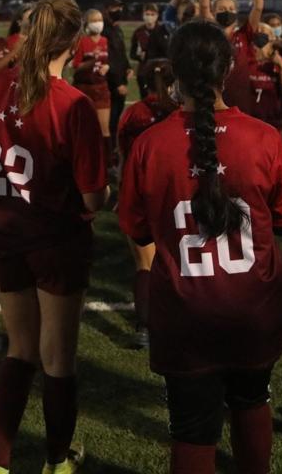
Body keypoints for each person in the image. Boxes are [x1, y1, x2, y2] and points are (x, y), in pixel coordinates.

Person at [117, 21, 282, 474]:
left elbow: (136, 228)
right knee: (251, 402)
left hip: (185, 311)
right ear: (229, 69)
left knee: (193, 430)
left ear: (174, 72)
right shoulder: (263, 138)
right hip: (253, 305)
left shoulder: (149, 144)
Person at [0, 0, 108, 474]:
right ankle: (56, 460)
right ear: (75, 42)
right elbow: (91, 199)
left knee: (19, 350)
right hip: (54, 240)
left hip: (2, 237)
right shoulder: (72, 103)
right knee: (58, 358)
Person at [116, 58, 179, 349]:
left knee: (145, 263)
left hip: (139, 193)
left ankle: (145, 326)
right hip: (175, 194)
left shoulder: (131, 114)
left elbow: (122, 158)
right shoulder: (179, 114)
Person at [198, 0, 263, 114]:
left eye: (231, 8)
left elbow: (258, 6)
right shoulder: (212, 32)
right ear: (213, 13)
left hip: (242, 98)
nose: (227, 11)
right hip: (213, 99)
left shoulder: (244, 34)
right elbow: (204, 4)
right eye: (221, 8)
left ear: (236, 12)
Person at [72, 8, 112, 148]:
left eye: (100, 20)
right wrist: (91, 61)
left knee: (104, 129)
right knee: (83, 129)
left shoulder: (105, 41)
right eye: (94, 21)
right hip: (84, 88)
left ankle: (108, 163)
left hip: (101, 87)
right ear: (87, 23)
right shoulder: (82, 42)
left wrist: (107, 67)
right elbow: (76, 65)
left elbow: (108, 61)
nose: (98, 23)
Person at [247, 23, 282, 132]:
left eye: (263, 30)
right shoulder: (248, 61)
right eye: (257, 30)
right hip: (249, 120)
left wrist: (281, 66)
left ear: (272, 37)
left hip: (272, 121)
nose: (259, 32)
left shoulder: (279, 62)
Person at [103, 0, 130, 151]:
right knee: (111, 121)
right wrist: (118, 83)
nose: (118, 11)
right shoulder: (106, 31)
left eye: (120, 7)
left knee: (115, 119)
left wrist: (128, 67)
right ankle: (110, 152)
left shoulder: (116, 28)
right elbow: (109, 58)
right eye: (115, 8)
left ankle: (112, 149)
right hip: (112, 83)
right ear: (107, 10)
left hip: (120, 79)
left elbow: (120, 53)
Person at [131, 3, 160, 95]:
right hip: (143, 71)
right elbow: (132, 53)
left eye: (152, 14)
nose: (149, 17)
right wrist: (139, 56)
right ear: (143, 15)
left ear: (157, 15)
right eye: (147, 14)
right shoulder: (138, 32)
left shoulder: (162, 31)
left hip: (159, 71)